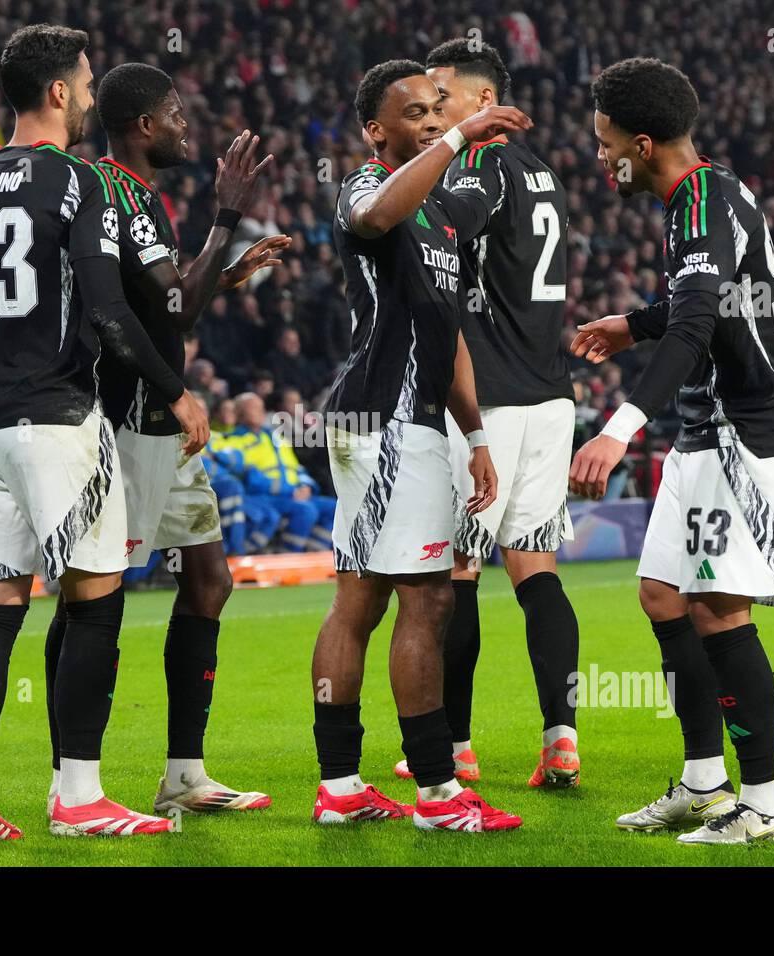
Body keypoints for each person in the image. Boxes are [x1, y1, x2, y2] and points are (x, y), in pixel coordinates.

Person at [0, 24, 209, 843]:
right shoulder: (78, 182)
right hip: (56, 421)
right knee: (93, 604)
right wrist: (175, 391)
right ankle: (77, 796)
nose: (89, 97)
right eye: (84, 84)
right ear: (58, 93)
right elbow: (113, 314)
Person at [570, 57, 774, 844]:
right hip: (707, 431)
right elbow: (694, 301)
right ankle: (705, 781)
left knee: (716, 607)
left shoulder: (701, 200)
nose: (599, 156)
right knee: (663, 594)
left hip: (747, 432)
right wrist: (629, 324)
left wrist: (620, 424)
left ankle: (764, 806)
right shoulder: (703, 195)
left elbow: (697, 323)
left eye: (606, 143)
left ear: (642, 143)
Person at [40, 61, 289, 818]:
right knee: (91, 595)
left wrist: (229, 270)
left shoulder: (116, 191)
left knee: (209, 581)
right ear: (144, 125)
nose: (187, 126)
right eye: (177, 115)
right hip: (133, 420)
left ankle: (184, 772)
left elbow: (171, 292)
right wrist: (226, 216)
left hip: (160, 421)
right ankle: (71, 778)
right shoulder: (125, 192)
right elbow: (176, 308)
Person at [311, 59, 528, 833]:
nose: (435, 121)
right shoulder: (368, 186)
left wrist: (474, 433)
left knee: (363, 598)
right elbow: (371, 220)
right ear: (377, 131)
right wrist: (465, 134)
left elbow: (451, 335)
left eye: (441, 109)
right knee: (424, 597)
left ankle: (341, 788)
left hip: (416, 425)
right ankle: (436, 792)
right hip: (382, 421)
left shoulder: (438, 215)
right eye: (416, 113)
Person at [388, 38, 582, 789]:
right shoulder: (540, 170)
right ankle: (560, 738)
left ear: (480, 100)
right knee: (536, 570)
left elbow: (439, 224)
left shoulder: (480, 163)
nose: (433, 109)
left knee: (457, 574)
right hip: (549, 396)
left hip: (489, 402)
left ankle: (457, 746)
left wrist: (389, 196)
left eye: (442, 97)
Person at [227, 391, 334, 551]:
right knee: (305, 510)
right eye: (254, 407)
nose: (261, 411)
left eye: (261, 407)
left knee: (335, 508)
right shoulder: (235, 441)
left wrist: (306, 486)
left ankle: (314, 556)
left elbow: (297, 468)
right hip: (264, 497)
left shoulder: (277, 438)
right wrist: (291, 490)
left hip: (293, 495)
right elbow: (250, 478)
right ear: (239, 413)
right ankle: (290, 559)